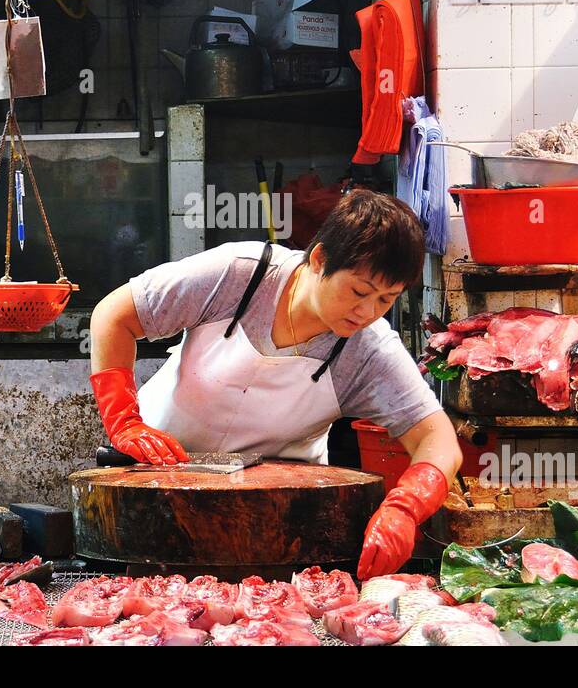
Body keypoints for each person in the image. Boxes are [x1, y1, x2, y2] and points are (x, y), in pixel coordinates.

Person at [87, 189, 461, 580]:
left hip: (277, 530)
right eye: (359, 291)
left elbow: (439, 441)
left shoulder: (370, 349)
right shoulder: (238, 275)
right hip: (159, 497)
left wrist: (404, 508)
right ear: (319, 260)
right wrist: (124, 421)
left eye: (386, 300)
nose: (367, 312)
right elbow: (114, 316)